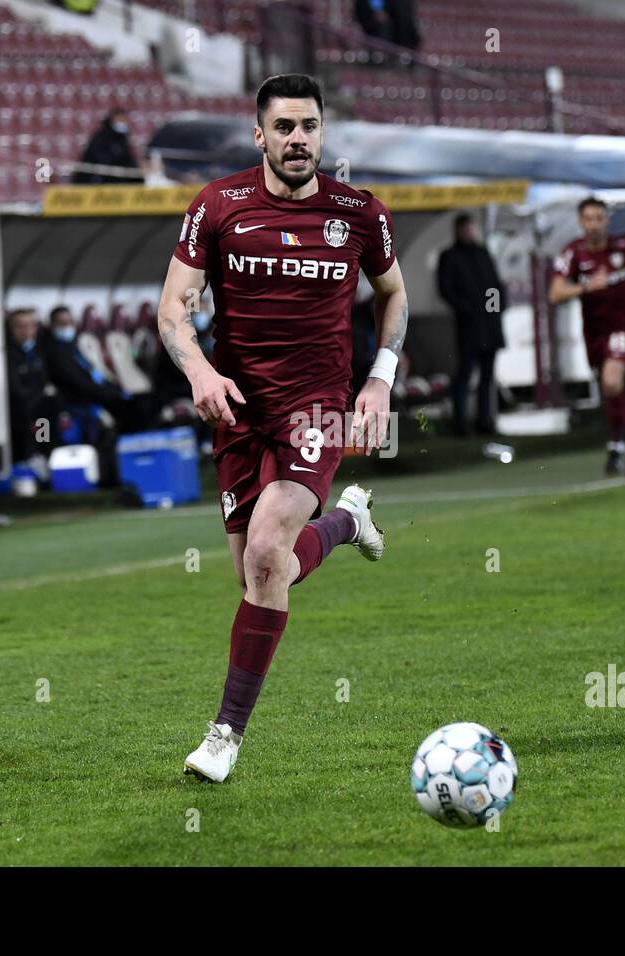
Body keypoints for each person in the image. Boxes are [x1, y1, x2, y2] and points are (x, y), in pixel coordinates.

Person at [157, 74, 408, 783]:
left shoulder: (359, 213)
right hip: (237, 407)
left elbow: (393, 295)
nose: (299, 140)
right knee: (257, 573)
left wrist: (381, 376)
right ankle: (347, 524)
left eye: (310, 127)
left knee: (267, 552)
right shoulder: (218, 206)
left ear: (323, 134)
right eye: (286, 128)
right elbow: (172, 310)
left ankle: (224, 736)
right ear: (259, 134)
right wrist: (201, 375)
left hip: (317, 405)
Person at [548, 197, 625, 482]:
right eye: (588, 218)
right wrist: (586, 286)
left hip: (622, 326)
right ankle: (618, 442)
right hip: (593, 330)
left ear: (607, 220)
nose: (594, 224)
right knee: (610, 388)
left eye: (599, 218)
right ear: (580, 222)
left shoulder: (624, 245)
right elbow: (555, 293)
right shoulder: (573, 253)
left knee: (612, 380)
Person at [437, 213, 507, 436]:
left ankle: (485, 420)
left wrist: (495, 310)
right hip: (469, 327)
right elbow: (447, 290)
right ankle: (461, 423)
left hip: (490, 325)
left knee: (487, 375)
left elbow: (495, 285)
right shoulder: (450, 256)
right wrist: (467, 311)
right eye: (465, 228)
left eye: (470, 228)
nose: (468, 232)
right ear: (457, 230)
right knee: (465, 374)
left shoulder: (482, 253)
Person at [41, 305, 155, 433]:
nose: (67, 326)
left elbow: (92, 372)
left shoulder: (71, 345)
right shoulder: (53, 351)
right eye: (62, 323)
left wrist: (113, 389)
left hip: (96, 390)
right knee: (135, 407)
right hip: (81, 398)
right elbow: (78, 382)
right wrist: (107, 393)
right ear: (52, 325)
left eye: (69, 322)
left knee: (144, 398)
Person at [5, 309, 58, 469]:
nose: (26, 331)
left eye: (30, 326)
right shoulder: (7, 356)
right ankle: (33, 456)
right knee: (41, 414)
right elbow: (16, 391)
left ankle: (47, 454)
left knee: (48, 409)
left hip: (40, 406)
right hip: (18, 409)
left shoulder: (39, 352)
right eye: (20, 327)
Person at [72, 109, 142, 185]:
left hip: (115, 177)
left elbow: (127, 158)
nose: (122, 123)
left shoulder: (123, 138)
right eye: (120, 120)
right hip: (95, 178)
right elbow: (99, 158)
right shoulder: (101, 137)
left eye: (124, 120)